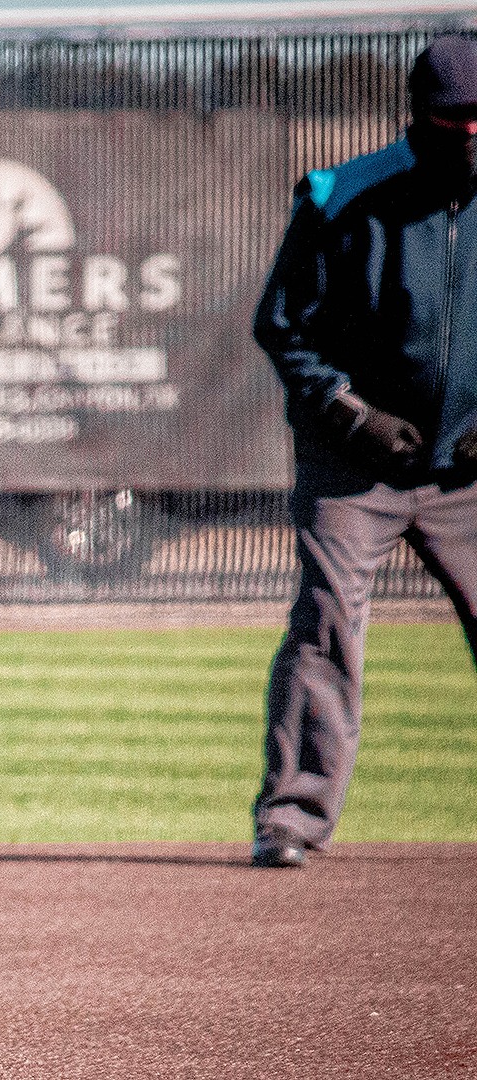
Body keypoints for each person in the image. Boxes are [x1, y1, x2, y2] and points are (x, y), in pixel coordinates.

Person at [249, 36, 477, 869]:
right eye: (458, 117)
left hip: (468, 476)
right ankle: (293, 819)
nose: (473, 132)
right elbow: (281, 324)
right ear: (419, 116)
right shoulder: (343, 197)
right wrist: (351, 414)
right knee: (326, 622)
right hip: (354, 467)